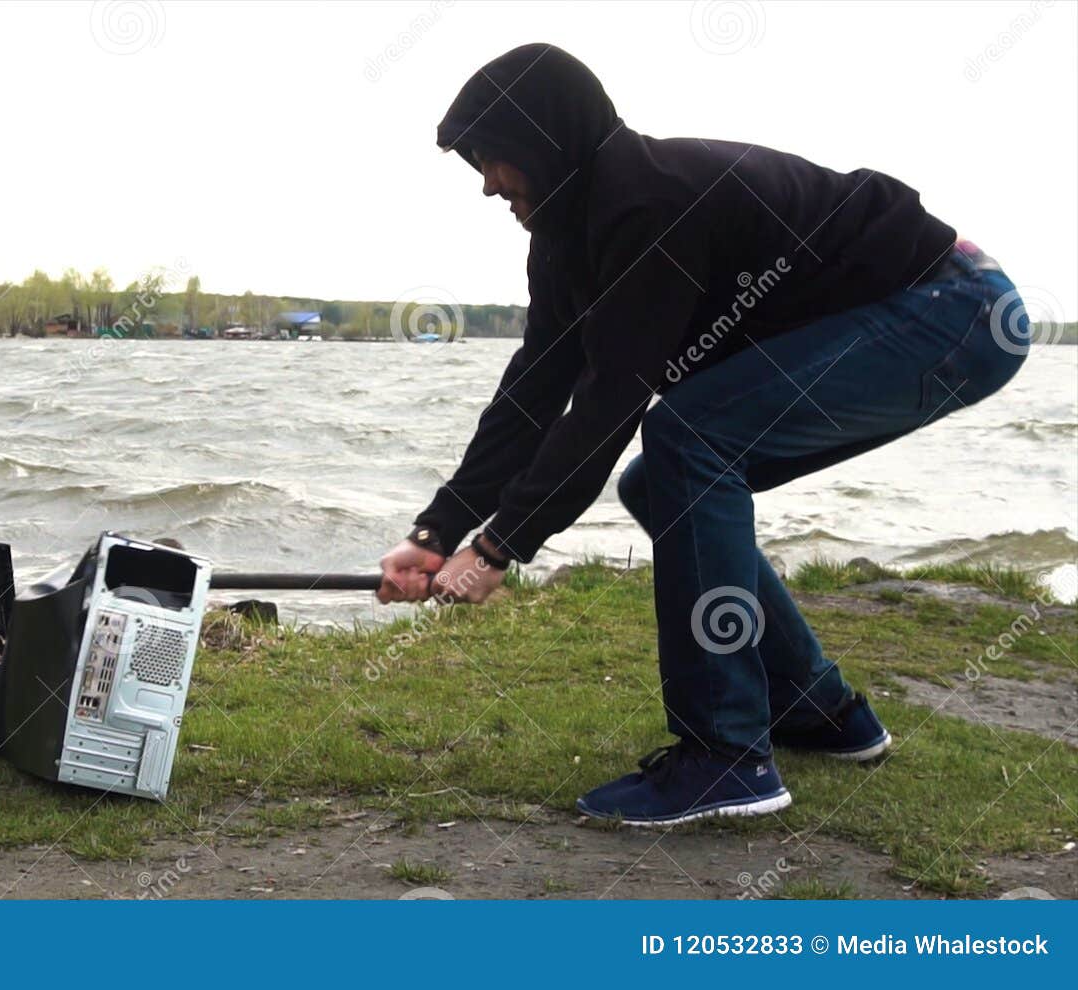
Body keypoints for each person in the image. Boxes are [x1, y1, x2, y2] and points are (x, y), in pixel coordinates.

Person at [377, 44, 1030, 826]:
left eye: (497, 160)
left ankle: (726, 757)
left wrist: (497, 550)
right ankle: (821, 714)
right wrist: (438, 528)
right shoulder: (566, 233)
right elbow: (537, 389)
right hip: (939, 313)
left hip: (955, 310)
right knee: (659, 478)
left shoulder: (647, 204)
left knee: (686, 438)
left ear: (547, 142)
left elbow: (610, 404)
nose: (487, 185)